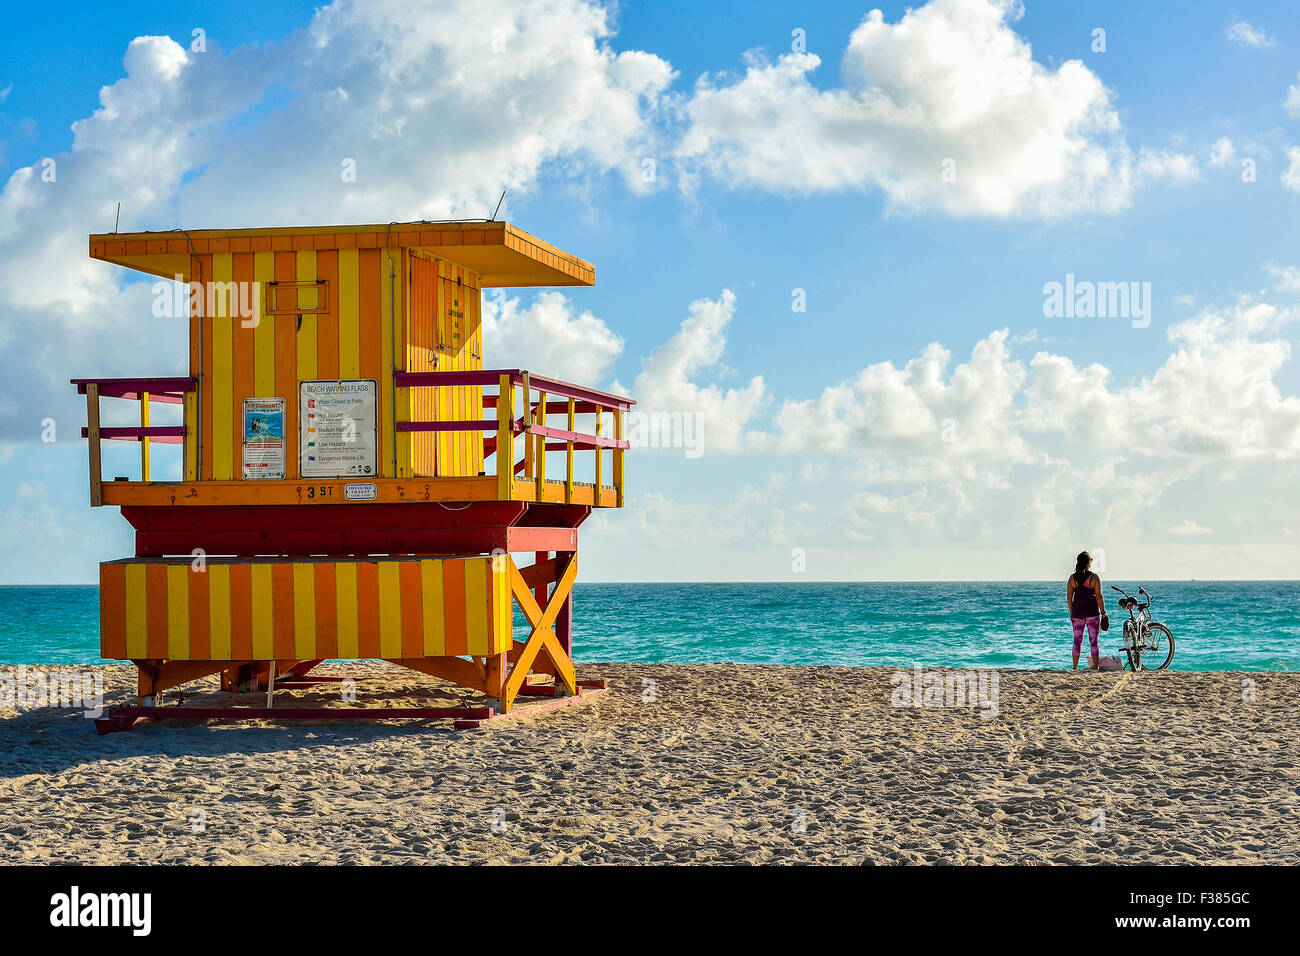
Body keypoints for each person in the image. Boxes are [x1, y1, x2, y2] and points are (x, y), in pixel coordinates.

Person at [1067, 551, 1106, 670]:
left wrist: (1071, 612)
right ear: (1088, 563)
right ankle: (1095, 667)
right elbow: (1099, 596)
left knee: (1077, 641)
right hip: (1092, 613)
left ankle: (1075, 667)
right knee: (1094, 641)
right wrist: (1103, 612)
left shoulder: (1072, 578)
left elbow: (1069, 598)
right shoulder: (1094, 578)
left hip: (1077, 613)